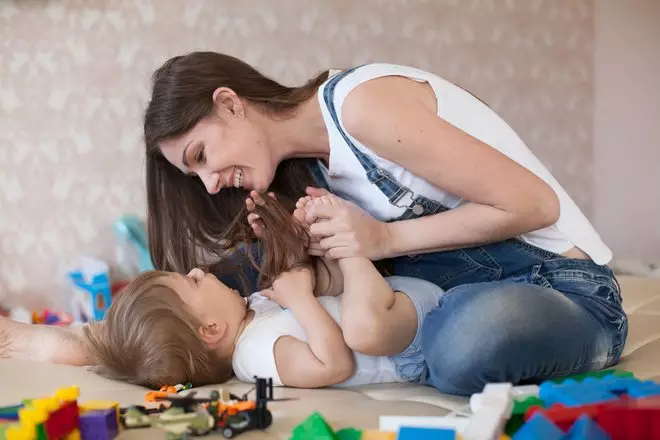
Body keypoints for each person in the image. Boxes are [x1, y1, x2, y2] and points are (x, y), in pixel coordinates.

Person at [143, 52, 626, 396]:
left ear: (230, 103)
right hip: (452, 303)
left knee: (460, 347)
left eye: (201, 156)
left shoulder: (360, 105)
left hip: (562, 289)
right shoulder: (307, 172)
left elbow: (534, 204)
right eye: (194, 174)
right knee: (246, 272)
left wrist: (385, 238)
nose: (208, 184)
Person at [1, 195, 444, 390]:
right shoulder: (254, 356)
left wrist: (288, 245)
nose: (198, 269)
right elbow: (333, 363)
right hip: (407, 343)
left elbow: (319, 299)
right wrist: (303, 299)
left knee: (323, 278)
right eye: (192, 282)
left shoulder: (250, 313)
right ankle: (348, 244)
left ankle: (88, 337)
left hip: (393, 307)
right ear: (211, 328)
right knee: (357, 320)